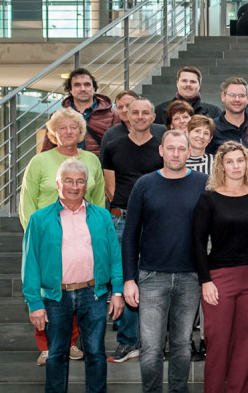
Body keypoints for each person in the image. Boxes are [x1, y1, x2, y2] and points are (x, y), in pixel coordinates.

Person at [21, 159, 123, 393]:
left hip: (93, 293)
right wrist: (34, 303)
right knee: (56, 354)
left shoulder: (102, 216)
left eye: (80, 181)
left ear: (86, 185)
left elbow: (114, 257)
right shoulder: (39, 219)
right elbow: (31, 264)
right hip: (56, 297)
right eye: (68, 180)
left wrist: (117, 290)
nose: (74, 186)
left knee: (96, 353)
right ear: (58, 184)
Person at [122, 129, 208, 392]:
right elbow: (130, 235)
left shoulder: (203, 183)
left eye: (181, 149)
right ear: (161, 150)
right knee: (150, 347)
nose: (175, 154)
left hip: (191, 276)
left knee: (182, 344)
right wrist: (129, 279)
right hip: (151, 277)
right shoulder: (144, 184)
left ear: (189, 152)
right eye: (170, 148)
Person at [20, 108, 105, 363]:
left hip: (82, 237)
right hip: (47, 238)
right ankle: (46, 346)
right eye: (62, 128)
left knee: (78, 290)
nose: (68, 132)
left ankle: (69, 343)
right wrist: (33, 236)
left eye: (73, 128)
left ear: (81, 132)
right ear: (54, 134)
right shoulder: (40, 161)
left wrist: (97, 232)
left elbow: (98, 198)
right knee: (48, 291)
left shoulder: (91, 160)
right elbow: (27, 201)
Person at [193, 142, 248, 393]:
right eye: (229, 161)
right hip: (219, 279)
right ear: (221, 166)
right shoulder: (209, 198)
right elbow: (197, 242)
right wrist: (205, 281)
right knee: (218, 344)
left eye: (240, 160)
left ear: (247, 163)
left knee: (245, 344)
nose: (236, 166)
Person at [100, 97, 164, 362]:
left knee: (152, 280)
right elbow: (110, 188)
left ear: (152, 117)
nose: (139, 116)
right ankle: (128, 341)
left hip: (155, 223)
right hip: (122, 220)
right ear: (125, 114)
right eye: (134, 112)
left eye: (145, 113)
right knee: (125, 278)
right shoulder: (113, 146)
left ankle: (152, 342)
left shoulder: (161, 147)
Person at [42, 68, 118, 155]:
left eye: (87, 85)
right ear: (70, 90)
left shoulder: (112, 116)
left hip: (98, 167)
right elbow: (48, 148)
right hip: (66, 166)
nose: (82, 89)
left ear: (94, 88)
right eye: (77, 85)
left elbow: (117, 148)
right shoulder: (57, 117)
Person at [155, 66, 221, 124]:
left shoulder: (214, 112)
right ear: (177, 83)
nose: (188, 84)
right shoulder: (159, 111)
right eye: (184, 81)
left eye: (193, 82)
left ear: (199, 85)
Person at [212, 77, 248, 149]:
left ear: (247, 99)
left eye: (241, 95)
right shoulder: (212, 128)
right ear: (223, 96)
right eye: (232, 95)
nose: (237, 99)